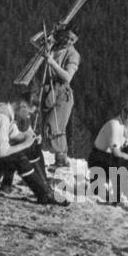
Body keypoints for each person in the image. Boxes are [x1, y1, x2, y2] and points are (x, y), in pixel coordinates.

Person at [0, 98, 65, 206]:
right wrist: (25, 144)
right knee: (18, 158)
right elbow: (1, 151)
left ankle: (46, 189)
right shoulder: (2, 117)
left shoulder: (8, 111)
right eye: (29, 113)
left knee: (33, 147)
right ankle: (44, 194)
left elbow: (14, 135)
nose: (28, 117)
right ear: (22, 107)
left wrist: (30, 137)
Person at [88, 99, 128, 205]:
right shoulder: (114, 124)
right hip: (98, 158)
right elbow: (117, 153)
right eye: (126, 110)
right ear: (121, 110)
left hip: (113, 158)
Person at [40, 29, 80, 165]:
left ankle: (61, 159)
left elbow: (67, 76)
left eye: (72, 40)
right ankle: (58, 158)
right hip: (48, 91)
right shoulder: (53, 46)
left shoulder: (73, 54)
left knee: (55, 126)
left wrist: (52, 63)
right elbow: (33, 41)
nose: (69, 41)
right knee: (46, 127)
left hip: (62, 92)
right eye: (67, 37)